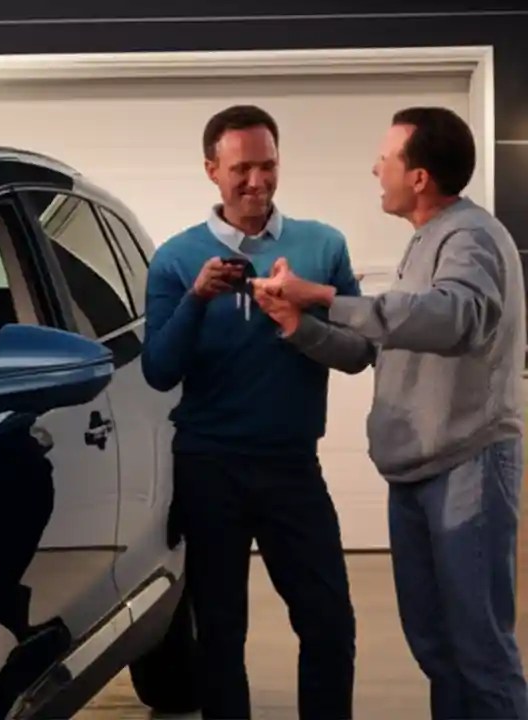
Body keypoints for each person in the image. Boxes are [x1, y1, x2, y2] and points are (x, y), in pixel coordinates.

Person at [250, 106, 528, 720]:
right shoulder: (426, 242)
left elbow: (455, 318)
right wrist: (301, 327)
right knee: (437, 647)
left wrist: (324, 295)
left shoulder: (470, 237)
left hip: (467, 468)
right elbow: (367, 352)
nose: (376, 167)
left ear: (420, 176)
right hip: (420, 473)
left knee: (479, 652)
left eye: (387, 158)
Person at [142, 104, 364, 719]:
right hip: (209, 466)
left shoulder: (322, 245)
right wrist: (196, 300)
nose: (256, 183)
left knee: (328, 623)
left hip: (292, 465)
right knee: (218, 634)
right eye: (241, 169)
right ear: (212, 170)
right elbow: (159, 370)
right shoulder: (176, 259)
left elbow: (359, 353)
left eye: (267, 166)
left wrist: (299, 326)